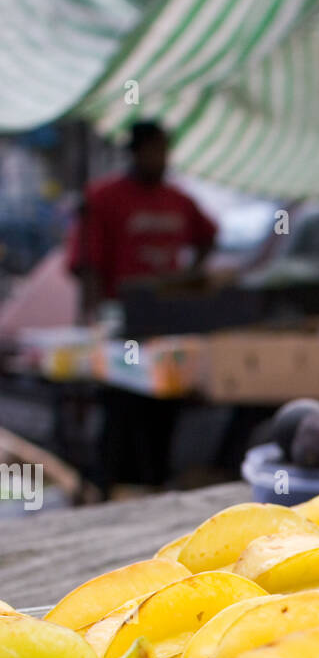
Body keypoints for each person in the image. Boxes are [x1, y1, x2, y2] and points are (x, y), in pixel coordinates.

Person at [66, 122, 217, 491]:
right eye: (154, 150)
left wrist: (189, 277)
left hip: (168, 322)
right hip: (123, 323)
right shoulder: (103, 197)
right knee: (123, 406)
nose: (161, 158)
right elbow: (87, 265)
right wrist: (98, 316)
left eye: (165, 149)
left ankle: (157, 481)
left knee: (165, 408)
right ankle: (115, 482)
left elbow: (209, 235)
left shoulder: (177, 199)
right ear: (135, 152)